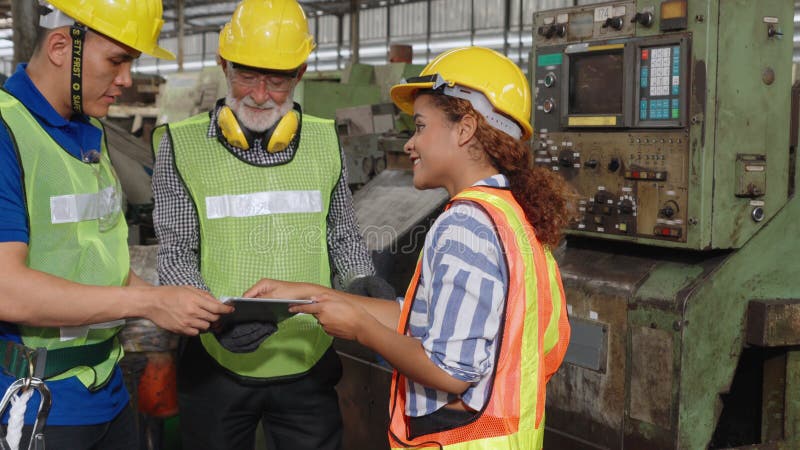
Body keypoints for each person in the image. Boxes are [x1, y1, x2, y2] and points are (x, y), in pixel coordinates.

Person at [245, 46, 573, 449]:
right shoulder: (510, 214)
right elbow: (424, 320)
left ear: (465, 129)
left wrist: (360, 328)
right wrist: (308, 294)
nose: (409, 144)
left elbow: (451, 371)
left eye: (419, 127)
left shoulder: (466, 224)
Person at [151, 0, 394, 448]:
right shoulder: (182, 146)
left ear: (300, 74)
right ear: (223, 64)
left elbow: (341, 234)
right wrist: (214, 319)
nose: (259, 95)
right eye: (246, 76)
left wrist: (360, 278)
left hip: (308, 356)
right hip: (216, 362)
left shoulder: (324, 140)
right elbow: (177, 252)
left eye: (277, 80)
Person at [0, 1, 232, 449]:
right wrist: (149, 303)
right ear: (60, 47)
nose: (126, 79)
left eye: (131, 63)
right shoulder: (7, 131)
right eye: (116, 60)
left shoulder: (89, 130)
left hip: (107, 386)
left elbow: (96, 262)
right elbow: (6, 289)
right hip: (39, 399)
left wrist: (177, 303)